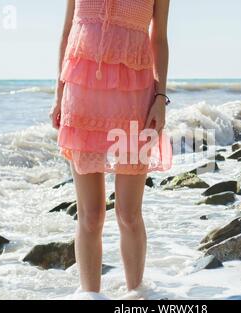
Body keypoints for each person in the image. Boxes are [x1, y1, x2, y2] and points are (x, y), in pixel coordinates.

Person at [49, 0, 172, 296]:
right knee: (90, 215)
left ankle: (137, 295)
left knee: (129, 214)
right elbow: (67, 33)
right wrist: (58, 95)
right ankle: (90, 295)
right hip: (82, 98)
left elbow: (159, 38)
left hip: (134, 99)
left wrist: (160, 97)